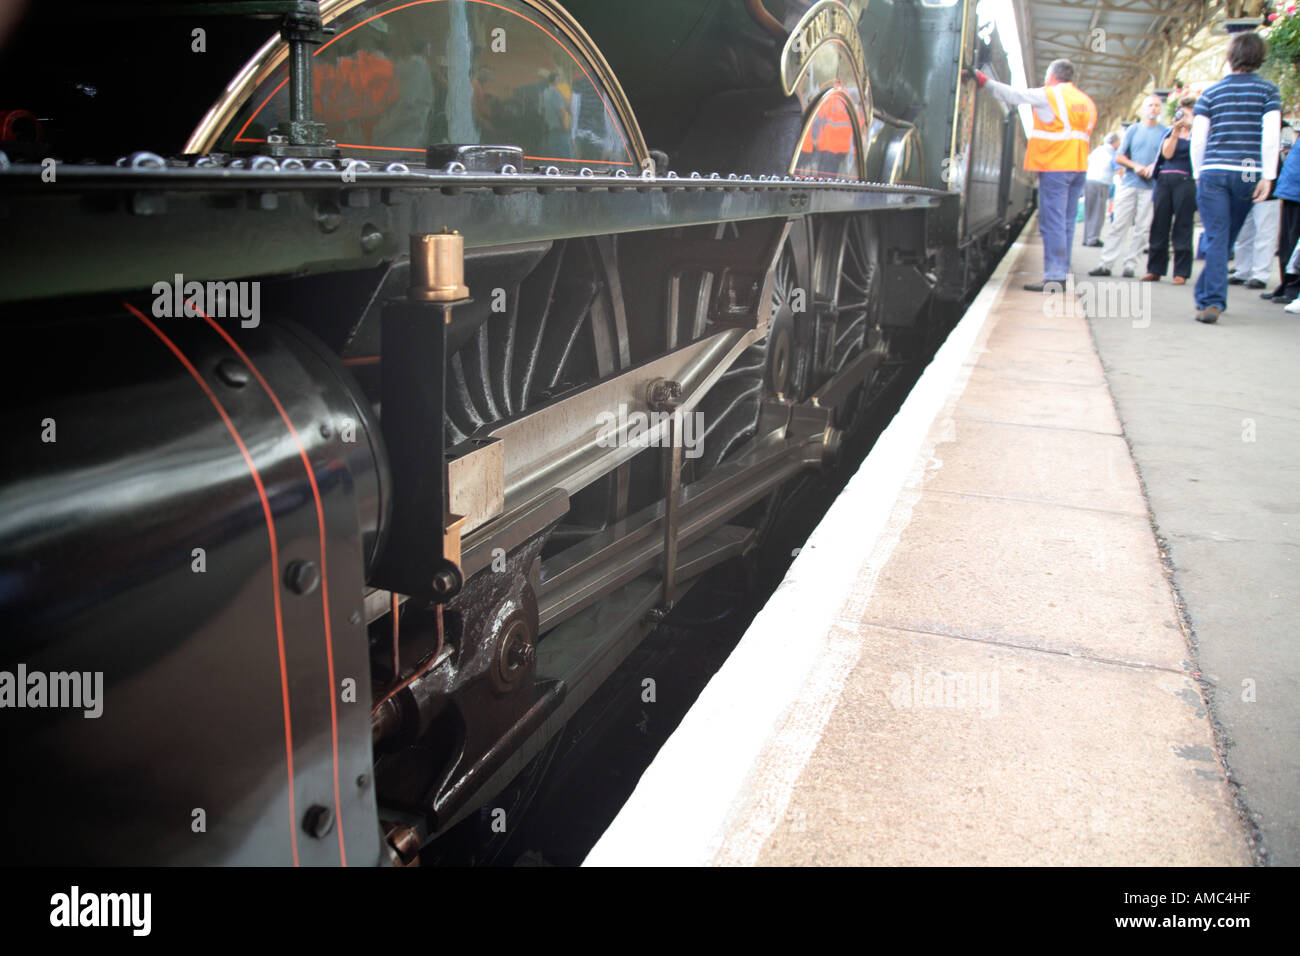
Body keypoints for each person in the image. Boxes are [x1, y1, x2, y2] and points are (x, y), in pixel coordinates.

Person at [968, 59, 1098, 291]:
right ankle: (1060, 272)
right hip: (1078, 168)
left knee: (1053, 221)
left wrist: (984, 81)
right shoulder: (1086, 102)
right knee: (1066, 222)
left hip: (1056, 166)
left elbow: (1014, 95)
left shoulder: (1051, 95)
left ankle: (1055, 276)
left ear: (1052, 76)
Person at [1191, 30, 1281, 323]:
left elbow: (1198, 138)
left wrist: (1197, 171)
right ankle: (1207, 296)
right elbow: (1271, 136)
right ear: (1260, 58)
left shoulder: (1211, 93)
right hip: (1247, 172)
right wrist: (1268, 175)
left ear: (1230, 58)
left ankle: (1211, 300)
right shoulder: (1268, 91)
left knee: (1218, 237)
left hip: (1214, 171)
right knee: (1225, 237)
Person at [1090, 96, 1167, 278]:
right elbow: (1119, 157)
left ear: (1160, 109)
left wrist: (1152, 167)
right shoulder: (1133, 130)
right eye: (1150, 105)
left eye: (1157, 105)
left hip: (1150, 187)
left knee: (1142, 228)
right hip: (1129, 184)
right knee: (1118, 224)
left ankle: (1130, 265)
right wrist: (1136, 166)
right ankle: (1106, 263)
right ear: (1143, 108)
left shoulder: (1165, 132)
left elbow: (1165, 158)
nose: (1153, 108)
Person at [1144, 97, 1197, 284]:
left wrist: (1191, 129)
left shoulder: (1200, 133)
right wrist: (1176, 130)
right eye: (1182, 112)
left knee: (1183, 225)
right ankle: (1154, 269)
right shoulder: (1169, 132)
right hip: (1165, 180)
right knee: (1159, 224)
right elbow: (1167, 154)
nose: (1185, 117)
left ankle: (1181, 272)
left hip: (1186, 180)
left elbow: (1198, 155)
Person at [1265, 130, 1300, 303]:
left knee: (1295, 246)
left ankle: (1293, 290)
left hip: (1296, 192)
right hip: (1290, 191)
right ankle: (1285, 286)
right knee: (1286, 245)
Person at [1084, 132, 1120, 246]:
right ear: (1114, 142)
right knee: (1098, 212)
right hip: (1102, 183)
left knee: (1089, 211)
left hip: (1089, 180)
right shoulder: (1113, 152)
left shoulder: (1097, 150)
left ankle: (1086, 238)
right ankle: (1093, 239)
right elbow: (1119, 169)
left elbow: (1087, 161)